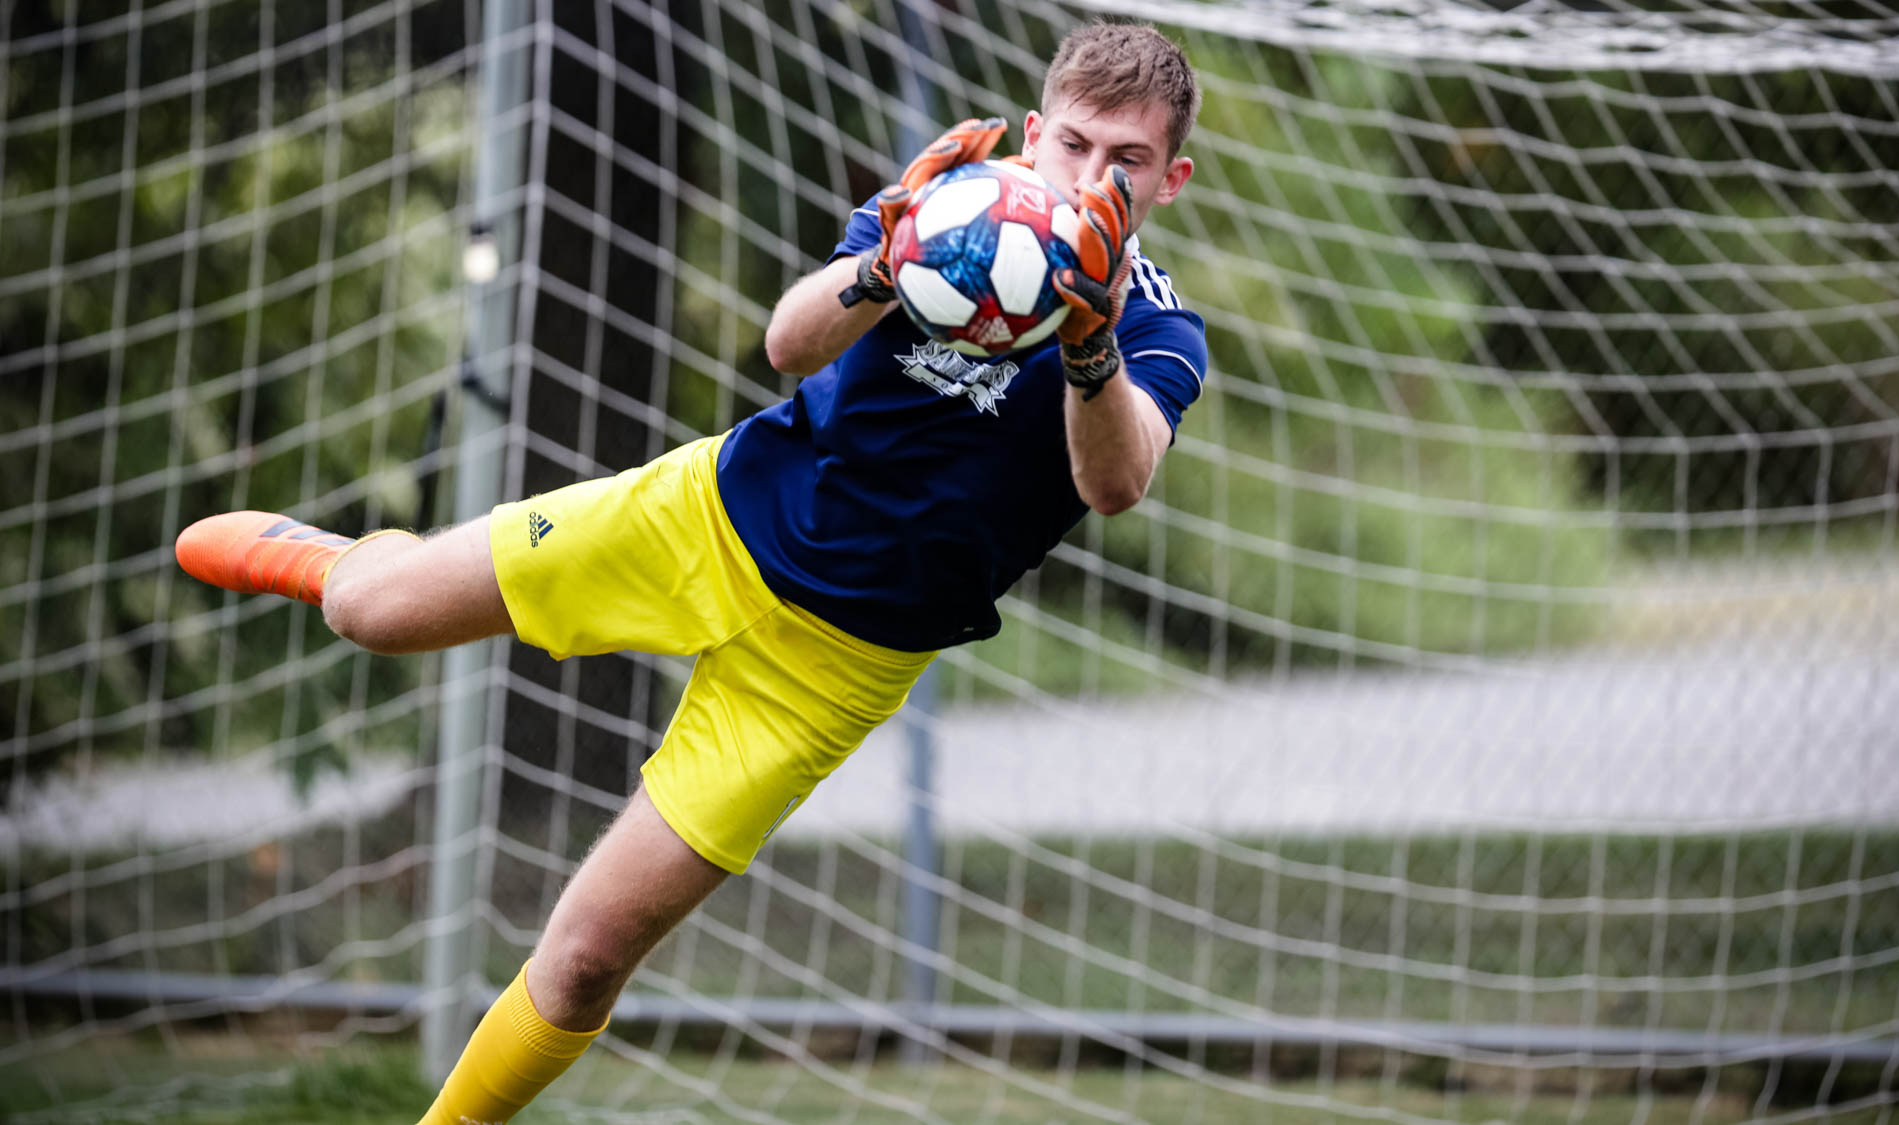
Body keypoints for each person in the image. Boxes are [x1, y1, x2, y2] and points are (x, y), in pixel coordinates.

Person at [174, 21, 1204, 1124]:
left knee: (582, 962)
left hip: (832, 668)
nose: (1093, 179)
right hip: (710, 518)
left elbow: (1116, 481)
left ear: (1170, 180)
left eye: (1126, 162)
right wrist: (882, 262)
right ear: (1036, 133)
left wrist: (1085, 340)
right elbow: (789, 344)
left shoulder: (1156, 326)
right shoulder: (946, 209)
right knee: (372, 609)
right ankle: (337, 563)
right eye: (1076, 147)